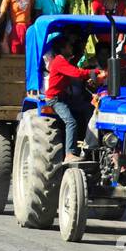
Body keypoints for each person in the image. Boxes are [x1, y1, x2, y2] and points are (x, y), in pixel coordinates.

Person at [46, 35, 99, 163]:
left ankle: (90, 145)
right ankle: (70, 153)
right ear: (63, 48)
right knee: (71, 122)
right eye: (69, 46)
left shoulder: (64, 60)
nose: (72, 48)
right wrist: (94, 72)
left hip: (64, 97)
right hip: (55, 99)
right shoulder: (59, 61)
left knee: (89, 109)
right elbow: (75, 73)